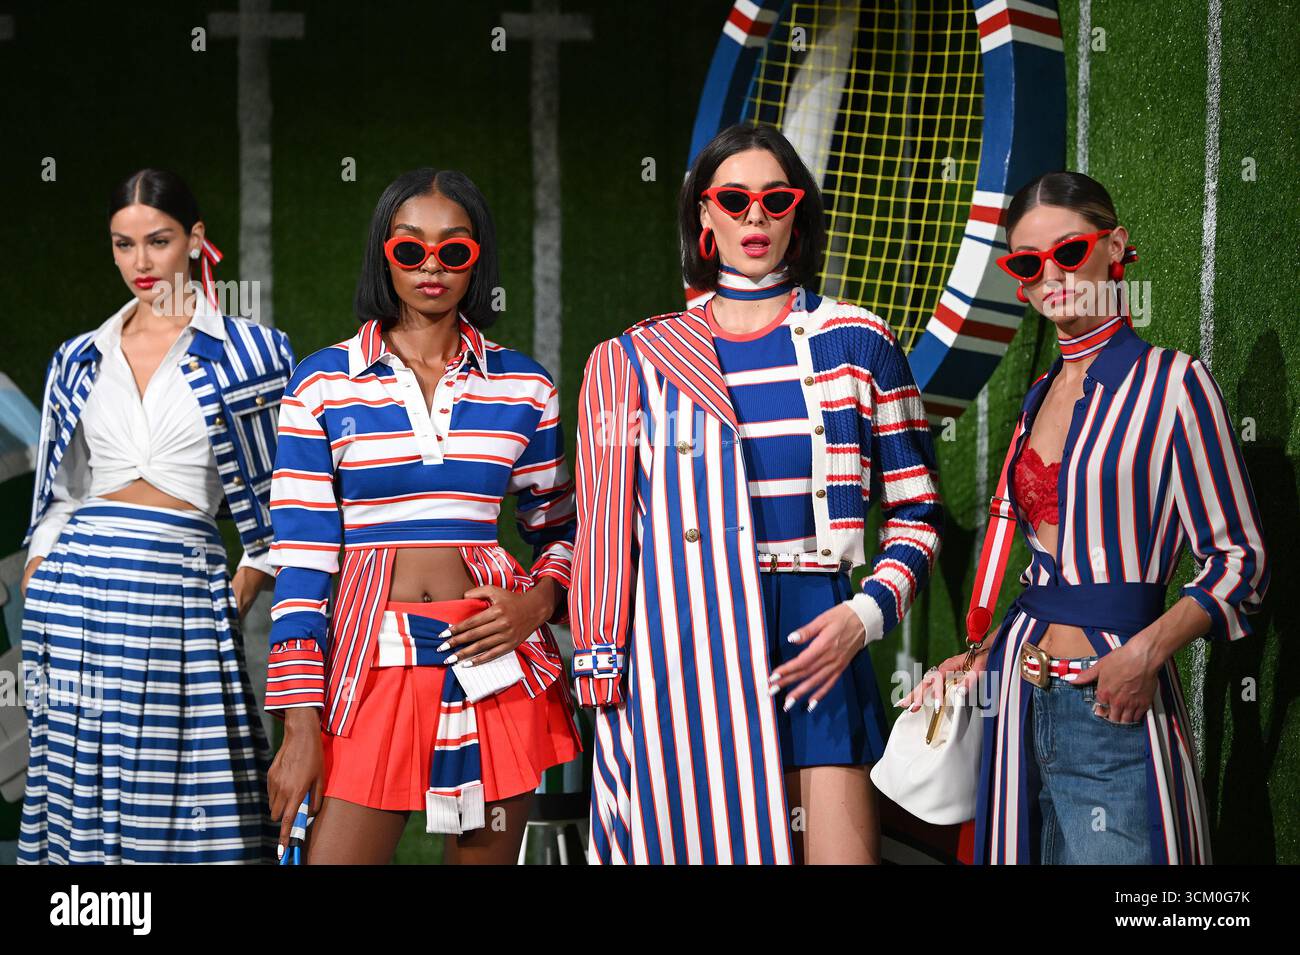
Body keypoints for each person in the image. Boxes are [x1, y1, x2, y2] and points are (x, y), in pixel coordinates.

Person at [570, 124, 942, 864]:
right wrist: (601, 664)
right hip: (688, 641)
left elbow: (918, 512)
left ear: (798, 212)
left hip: (818, 629)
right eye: (733, 199)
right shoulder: (635, 357)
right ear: (702, 215)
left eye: (775, 199)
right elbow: (605, 539)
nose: (754, 217)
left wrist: (863, 617)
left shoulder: (860, 339)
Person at [904, 171, 1268, 864]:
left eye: (1068, 252)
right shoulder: (1040, 393)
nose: (1052, 276)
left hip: (1114, 703)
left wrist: (1144, 653)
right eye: (1027, 263)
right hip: (1015, 696)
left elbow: (1240, 559)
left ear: (1116, 245)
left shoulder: (1175, 384)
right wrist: (977, 657)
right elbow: (1049, 565)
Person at [264, 167, 581, 864]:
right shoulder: (321, 382)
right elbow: (304, 562)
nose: (431, 266)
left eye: (454, 250)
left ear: (478, 260)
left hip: (494, 660)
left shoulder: (525, 386)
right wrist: (298, 721)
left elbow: (561, 530)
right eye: (410, 250)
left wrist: (537, 604)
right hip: (366, 669)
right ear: (385, 255)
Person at [20, 168, 288, 863]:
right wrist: (41, 567)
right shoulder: (78, 357)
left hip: (182, 594)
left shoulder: (256, 353)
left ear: (196, 240)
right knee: (85, 792)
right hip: (77, 600)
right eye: (123, 244)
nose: (140, 262)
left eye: (159, 240)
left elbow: (287, 494)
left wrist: (250, 575)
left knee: (189, 789)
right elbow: (60, 489)